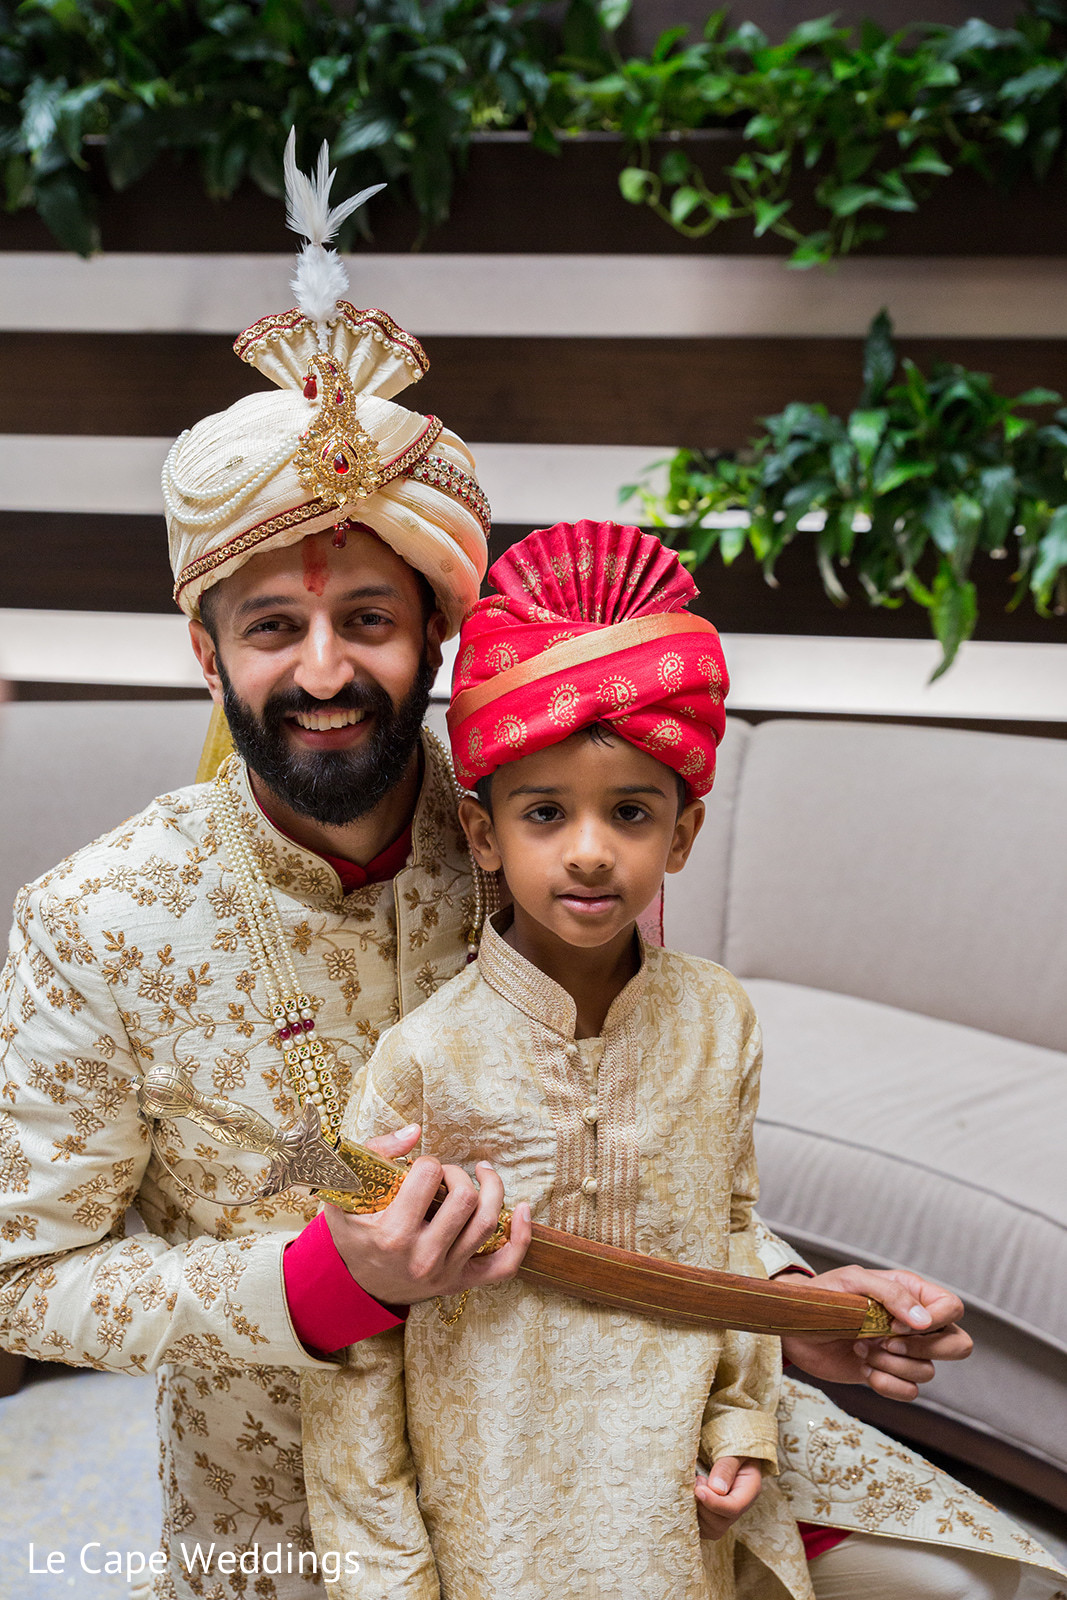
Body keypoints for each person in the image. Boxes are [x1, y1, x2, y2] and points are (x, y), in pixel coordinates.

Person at [0, 142, 1060, 1600]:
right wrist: (324, 1282)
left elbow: (654, 1152)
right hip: (302, 1498)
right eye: (273, 629)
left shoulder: (536, 827)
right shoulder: (96, 920)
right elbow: (24, 1281)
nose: (325, 670)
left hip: (622, 1420)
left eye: (369, 619)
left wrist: (790, 1310)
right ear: (206, 652)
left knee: (978, 1585)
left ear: (431, 634)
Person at [301, 522, 1066, 1600]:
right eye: (543, 813)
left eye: (629, 813)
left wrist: (742, 1423)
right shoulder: (423, 1057)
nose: (587, 850)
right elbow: (357, 1366)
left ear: (683, 833)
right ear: (482, 835)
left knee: (991, 1579)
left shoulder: (716, 1019)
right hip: (496, 1491)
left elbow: (724, 1232)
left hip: (680, 1466)